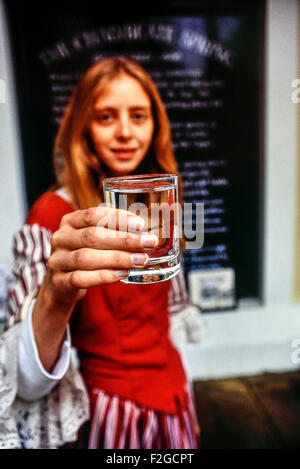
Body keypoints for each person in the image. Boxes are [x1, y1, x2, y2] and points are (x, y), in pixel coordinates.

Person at [0, 56, 204, 449]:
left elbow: (169, 324)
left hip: (175, 399)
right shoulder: (54, 213)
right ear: (83, 128)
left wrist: (187, 405)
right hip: (114, 411)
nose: (125, 132)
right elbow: (24, 381)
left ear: (155, 125)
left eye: (139, 116)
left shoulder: (165, 202)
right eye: (106, 117)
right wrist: (55, 295)